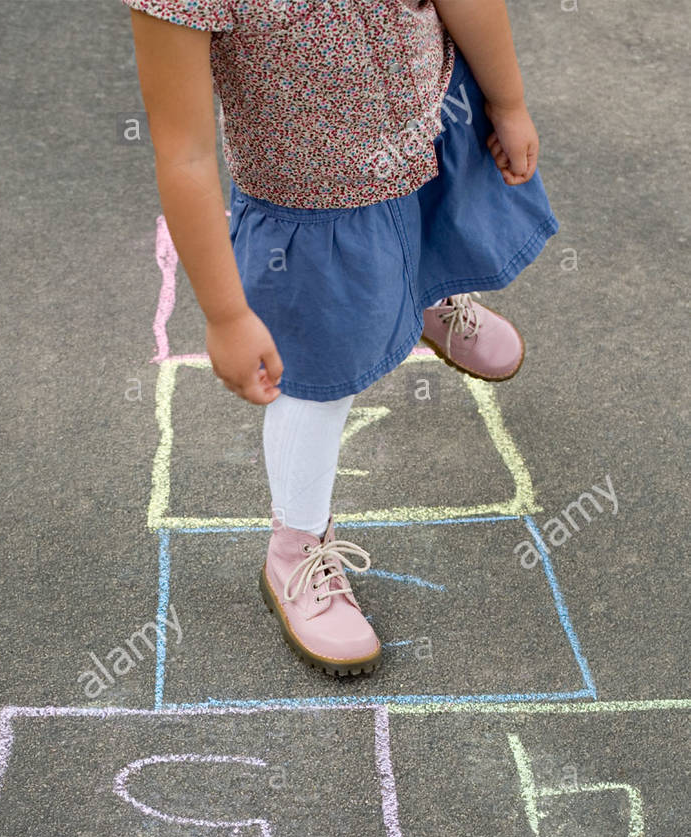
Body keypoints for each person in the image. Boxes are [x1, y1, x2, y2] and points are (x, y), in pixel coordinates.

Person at [122, 0, 559, 677]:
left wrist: (508, 100)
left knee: (422, 229)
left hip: (429, 119)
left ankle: (423, 295)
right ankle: (294, 550)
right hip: (311, 204)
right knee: (317, 373)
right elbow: (183, 151)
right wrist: (228, 315)